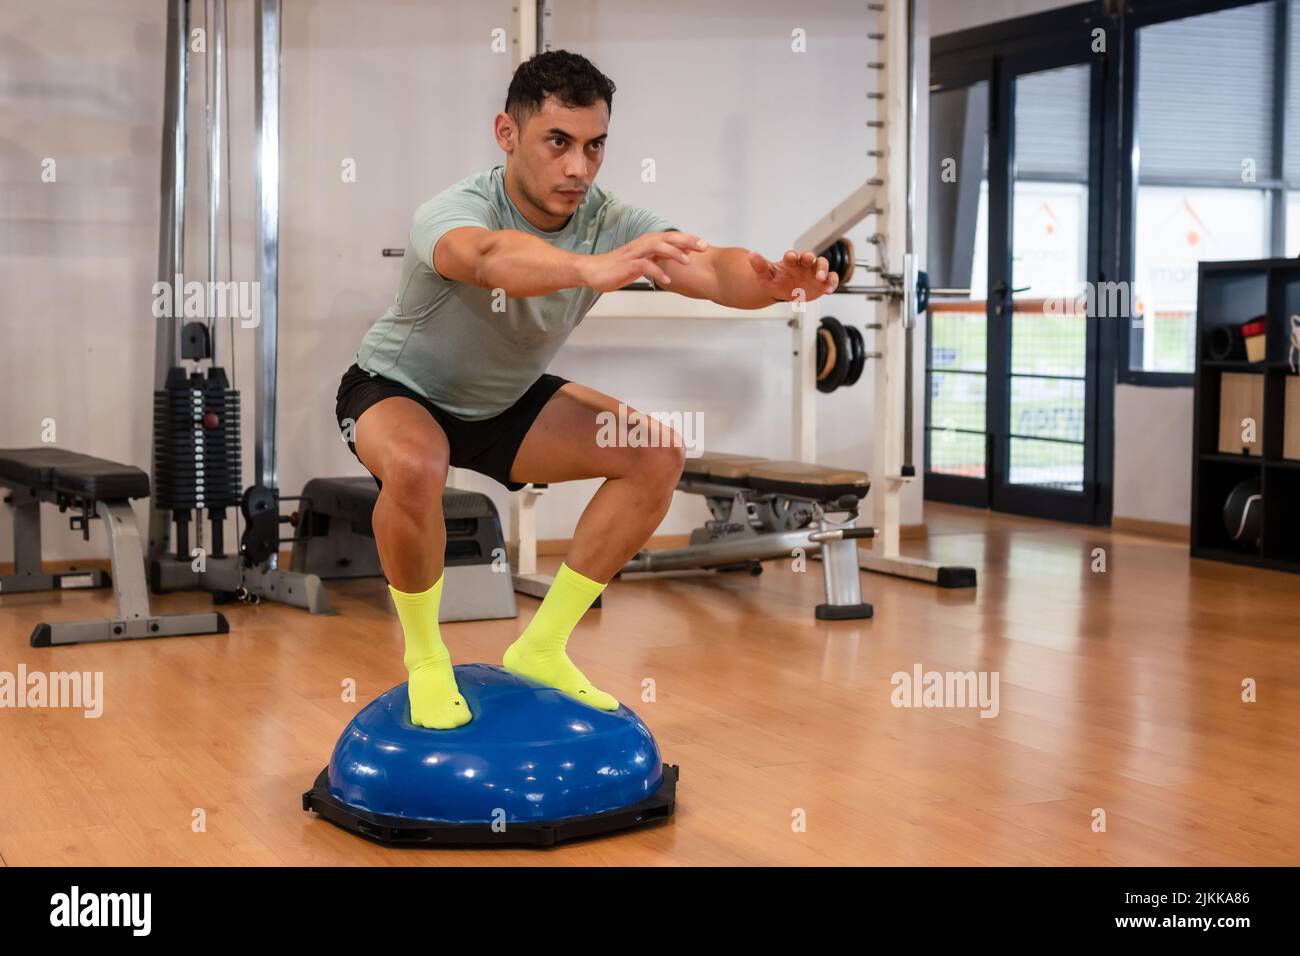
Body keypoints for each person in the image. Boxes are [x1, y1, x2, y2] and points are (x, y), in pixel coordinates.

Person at [335, 50, 838, 729]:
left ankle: (541, 647)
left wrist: (774, 284)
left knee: (654, 454)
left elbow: (712, 270)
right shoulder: (458, 208)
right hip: (397, 389)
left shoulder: (607, 217)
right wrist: (588, 268)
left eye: (594, 146)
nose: (578, 168)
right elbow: (482, 258)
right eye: (558, 143)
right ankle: (426, 659)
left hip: (505, 401)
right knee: (418, 466)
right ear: (507, 135)